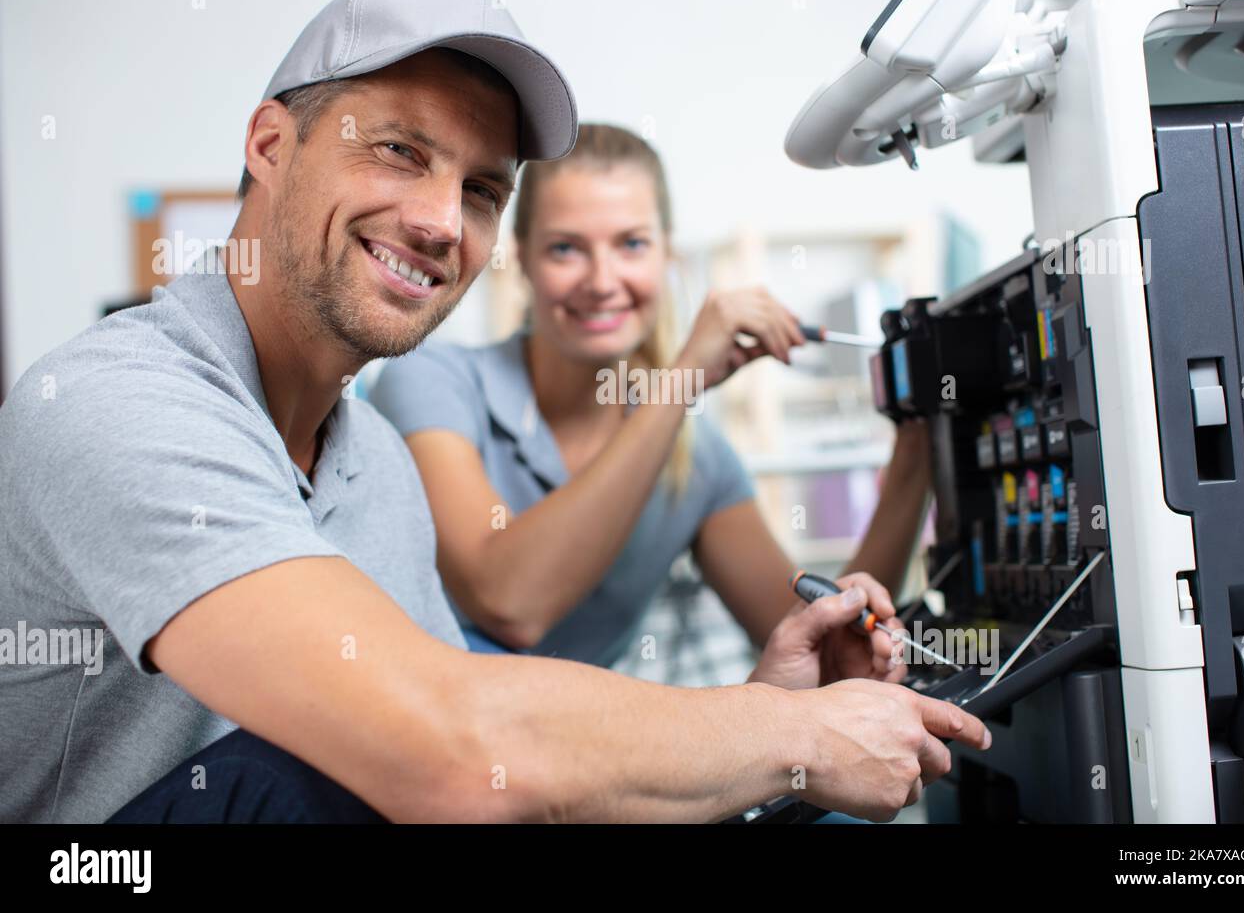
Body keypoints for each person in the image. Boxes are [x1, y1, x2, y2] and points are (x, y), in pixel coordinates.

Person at [0, 0, 988, 824]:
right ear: (268, 144)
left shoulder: (371, 459)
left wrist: (763, 707)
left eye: (480, 188)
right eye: (396, 149)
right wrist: (784, 733)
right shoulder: (114, 401)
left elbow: (496, 770)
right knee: (316, 766)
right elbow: (451, 749)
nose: (437, 219)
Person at [369, 123, 933, 668]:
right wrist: (682, 380)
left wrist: (917, 443)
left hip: (581, 757)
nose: (602, 279)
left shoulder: (697, 459)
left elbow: (826, 653)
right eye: (566, 248)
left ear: (667, 258)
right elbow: (509, 602)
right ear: (522, 260)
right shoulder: (430, 381)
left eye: (632, 244)